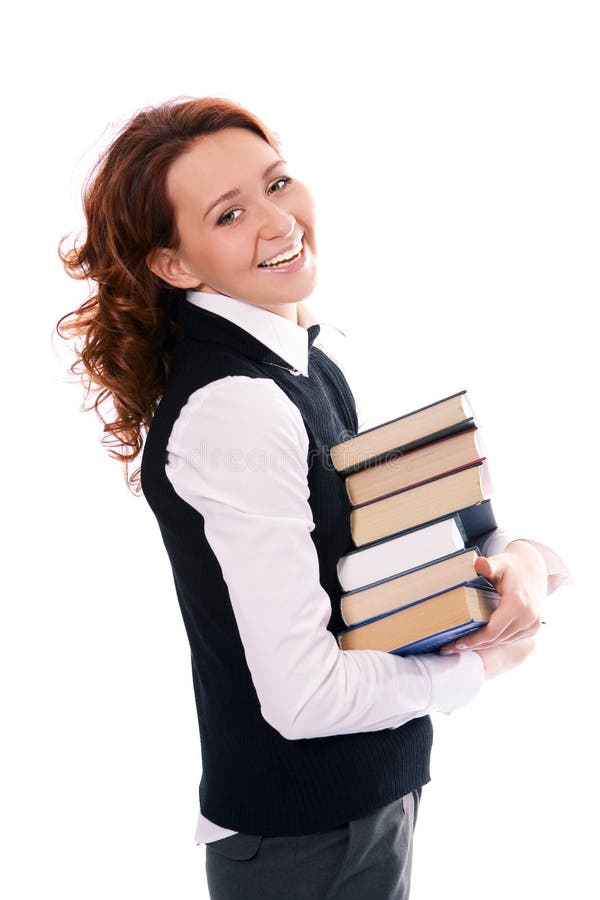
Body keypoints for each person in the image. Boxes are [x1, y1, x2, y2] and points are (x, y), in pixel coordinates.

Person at [56, 96, 572, 900]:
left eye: (278, 182)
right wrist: (481, 671)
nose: (277, 221)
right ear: (176, 264)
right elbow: (304, 696)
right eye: (229, 213)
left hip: (357, 812)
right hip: (307, 842)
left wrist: (528, 563)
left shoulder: (301, 366)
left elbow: (385, 562)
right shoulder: (239, 403)